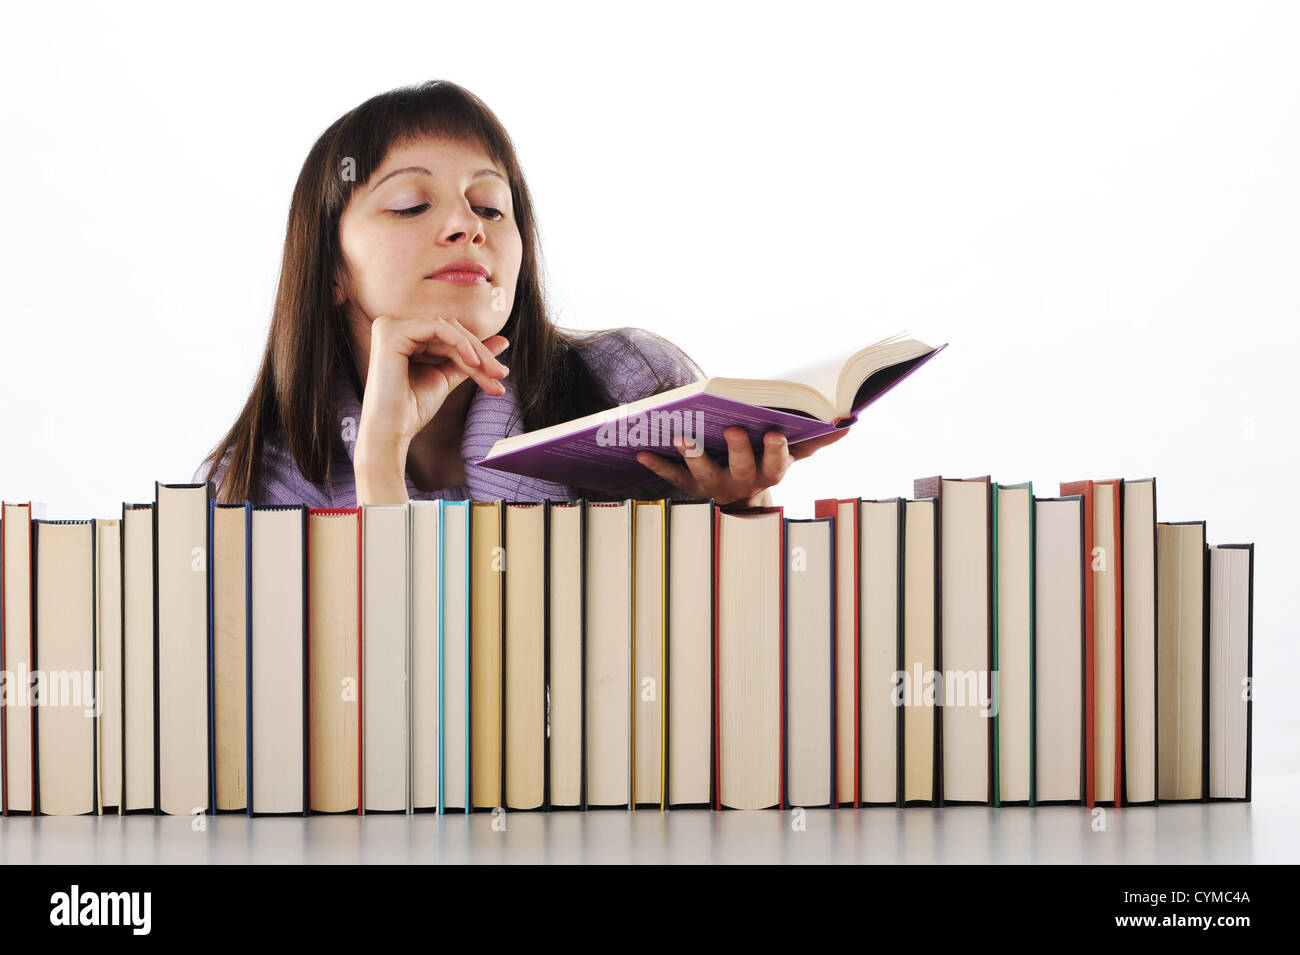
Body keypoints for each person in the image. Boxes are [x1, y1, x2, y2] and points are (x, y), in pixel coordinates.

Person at [194, 80, 847, 508]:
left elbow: (742, 670)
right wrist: (380, 465)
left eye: (490, 206)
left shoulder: (633, 389)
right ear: (332, 269)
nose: (466, 226)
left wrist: (741, 508)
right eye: (411, 204)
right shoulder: (247, 490)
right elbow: (388, 700)